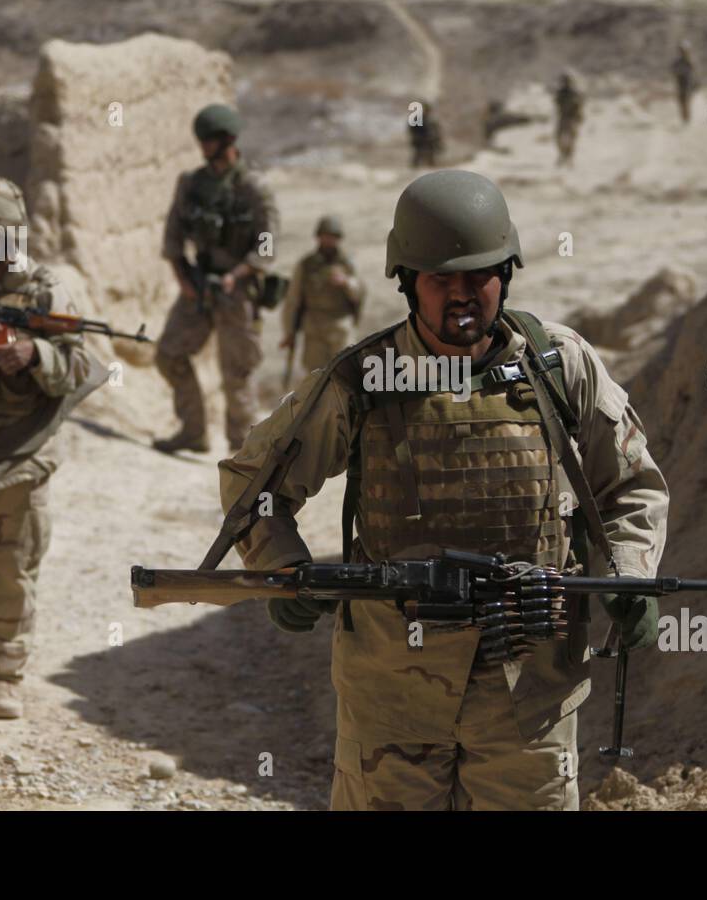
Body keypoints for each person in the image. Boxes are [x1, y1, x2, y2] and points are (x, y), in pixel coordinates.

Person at [217, 169, 669, 810]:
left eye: (478, 276)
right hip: (390, 699)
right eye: (440, 279)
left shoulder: (558, 365)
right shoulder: (363, 380)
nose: (462, 296)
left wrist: (630, 575)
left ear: (506, 273)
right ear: (406, 282)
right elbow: (253, 485)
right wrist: (283, 569)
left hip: (529, 695)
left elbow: (631, 486)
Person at [0, 176, 96, 719]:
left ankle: (2, 674)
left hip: (18, 457)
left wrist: (35, 356)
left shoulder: (47, 290)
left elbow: (83, 365)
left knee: (11, 567)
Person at [154, 103, 280, 455]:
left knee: (236, 373)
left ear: (227, 140)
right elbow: (173, 235)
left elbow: (267, 246)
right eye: (202, 140)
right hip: (197, 286)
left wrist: (237, 275)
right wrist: (181, 276)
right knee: (169, 354)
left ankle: (243, 451)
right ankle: (194, 431)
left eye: (209, 140)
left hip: (236, 291)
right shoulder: (192, 184)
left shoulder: (253, 188)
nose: (204, 147)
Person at [280, 214, 364, 379]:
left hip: (340, 327)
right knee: (315, 378)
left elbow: (359, 292)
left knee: (346, 375)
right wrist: (289, 332)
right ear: (318, 237)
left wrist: (346, 282)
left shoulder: (347, 262)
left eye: (333, 237)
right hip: (314, 328)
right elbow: (293, 299)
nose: (329, 240)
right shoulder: (306, 265)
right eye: (326, 236)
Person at [553, 70, 585, 166]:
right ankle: (564, 156)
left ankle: (568, 157)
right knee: (560, 138)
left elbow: (579, 105)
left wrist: (579, 116)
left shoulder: (574, 93)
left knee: (570, 139)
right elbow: (557, 104)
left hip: (571, 118)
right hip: (564, 117)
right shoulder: (561, 93)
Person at [408, 99, 444, 168]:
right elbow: (413, 130)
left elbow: (435, 131)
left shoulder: (430, 119)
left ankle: (431, 169)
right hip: (421, 141)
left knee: (431, 158)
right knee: (418, 158)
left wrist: (436, 139)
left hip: (429, 142)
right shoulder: (417, 118)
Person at [671, 41, 698, 124]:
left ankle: (687, 120)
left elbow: (694, 73)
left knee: (686, 103)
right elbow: (673, 71)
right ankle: (685, 120)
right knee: (682, 103)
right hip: (680, 84)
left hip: (688, 85)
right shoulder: (678, 62)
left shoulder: (689, 61)